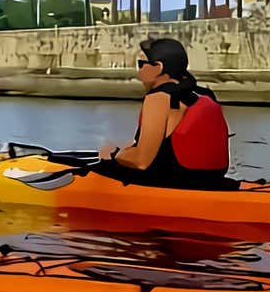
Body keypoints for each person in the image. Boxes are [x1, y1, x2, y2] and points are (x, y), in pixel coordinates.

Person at [92, 37, 232, 189]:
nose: (139, 73)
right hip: (212, 179)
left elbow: (141, 162)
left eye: (141, 65)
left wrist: (115, 154)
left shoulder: (158, 98)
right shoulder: (201, 95)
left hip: (176, 182)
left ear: (158, 68)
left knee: (96, 166)